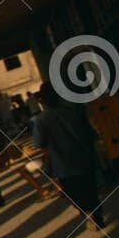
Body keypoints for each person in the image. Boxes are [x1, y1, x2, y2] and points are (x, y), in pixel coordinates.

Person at [32, 90, 106, 228]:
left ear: (42, 102)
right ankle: (97, 216)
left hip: (62, 165)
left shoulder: (41, 120)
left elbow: (39, 144)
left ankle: (86, 212)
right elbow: (91, 134)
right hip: (84, 159)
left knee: (73, 192)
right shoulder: (74, 112)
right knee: (90, 189)